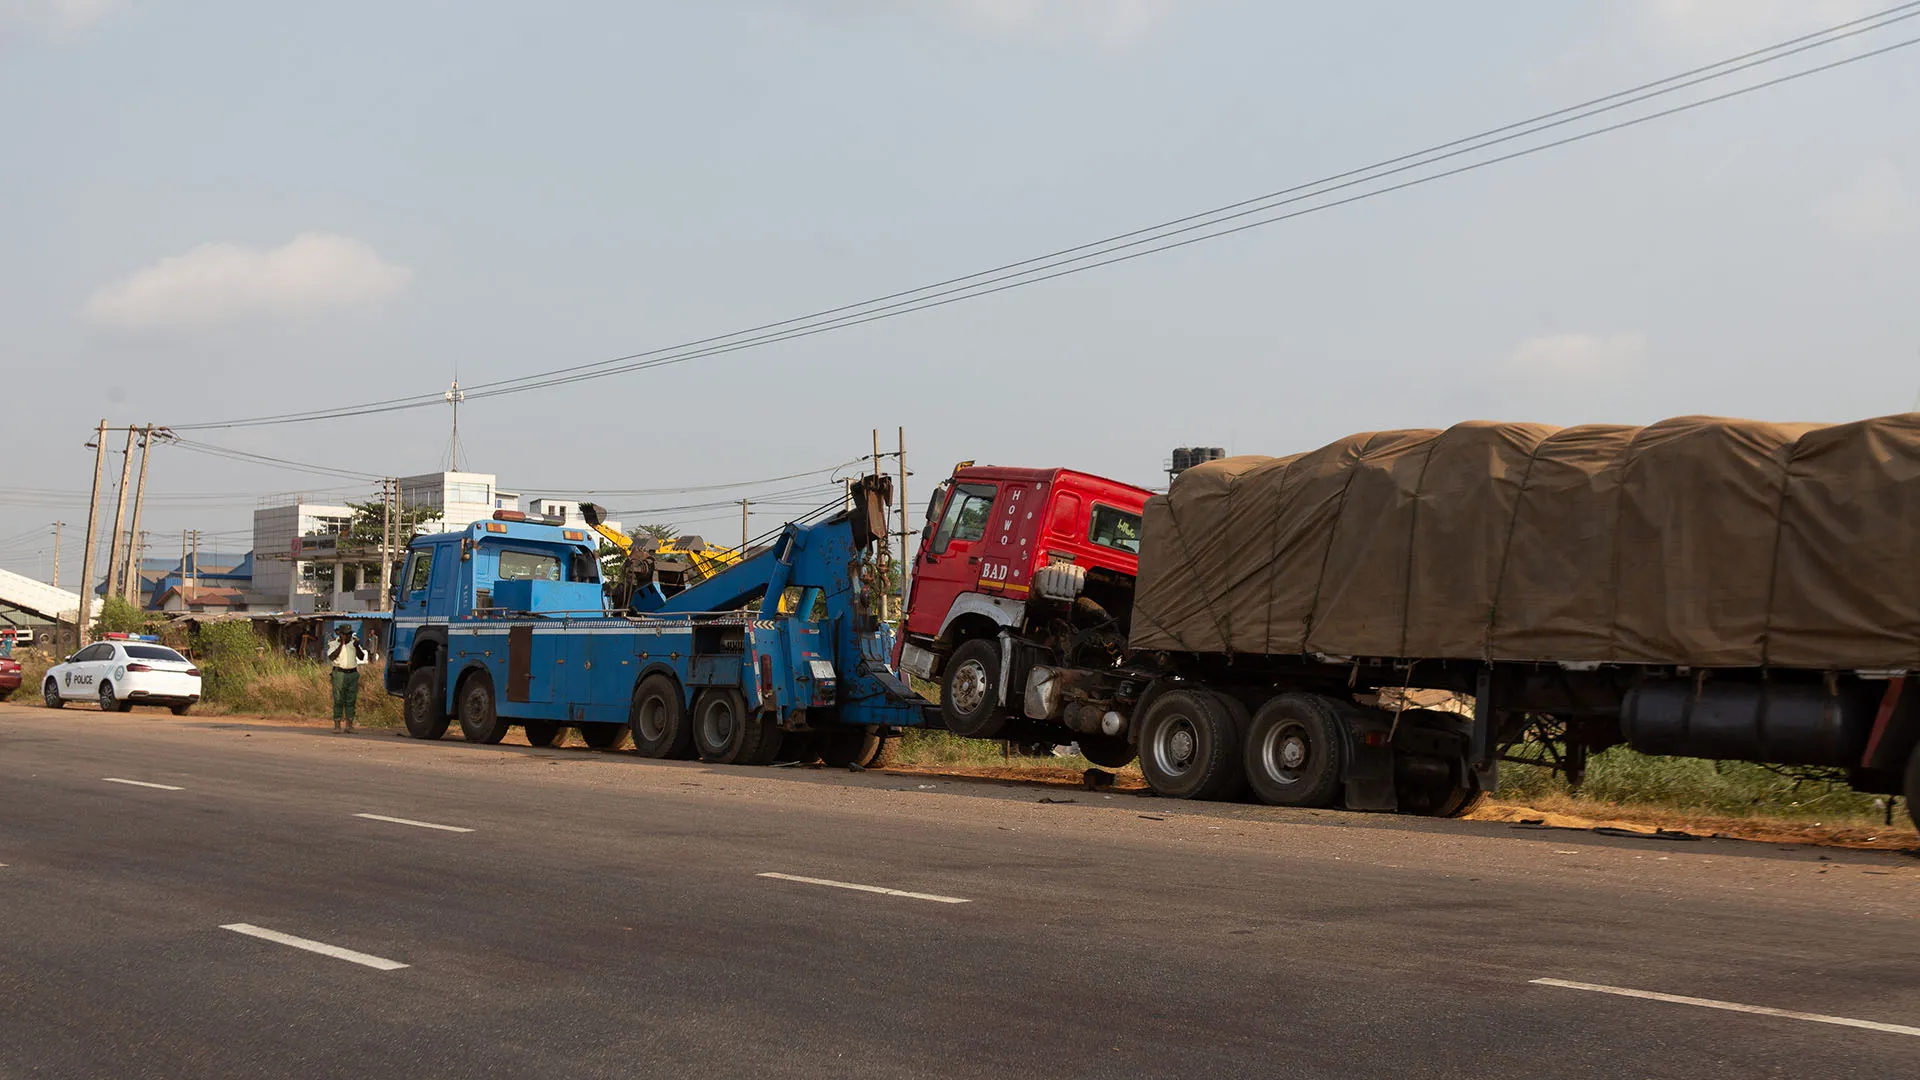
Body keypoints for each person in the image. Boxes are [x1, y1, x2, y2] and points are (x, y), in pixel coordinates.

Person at [326, 623, 368, 734]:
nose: (348, 636)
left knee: (351, 700)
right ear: (340, 634)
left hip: (352, 673)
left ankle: (349, 725)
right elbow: (332, 657)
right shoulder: (333, 644)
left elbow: (361, 657)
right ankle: (337, 725)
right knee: (338, 699)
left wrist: (357, 647)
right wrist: (342, 644)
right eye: (345, 634)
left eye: (349, 634)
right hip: (339, 673)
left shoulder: (354, 644)